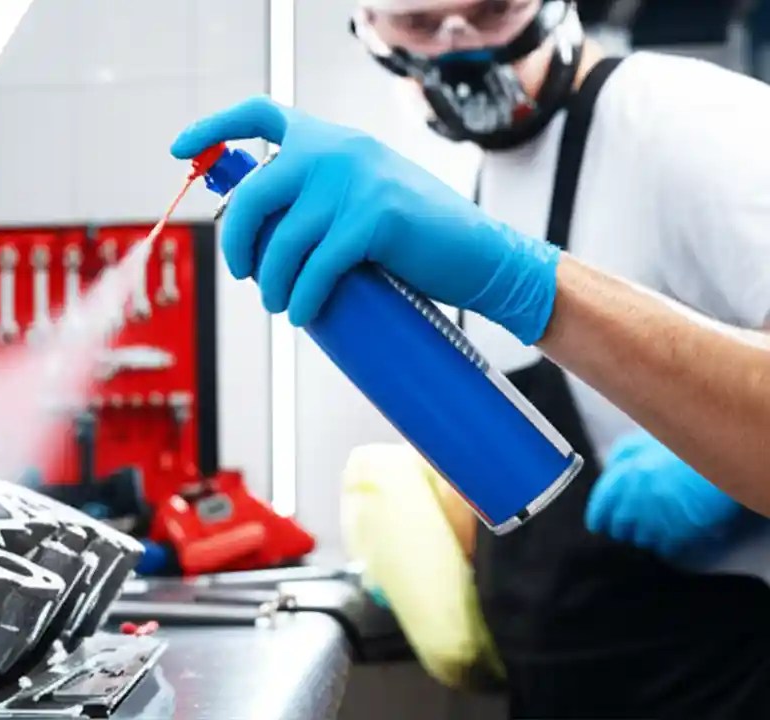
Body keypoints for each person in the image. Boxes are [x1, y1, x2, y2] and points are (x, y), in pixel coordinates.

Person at [172, 2, 770, 714]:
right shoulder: (477, 183)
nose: (461, 48)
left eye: (491, 13)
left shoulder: (683, 117)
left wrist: (719, 475)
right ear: (369, 28)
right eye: (421, 26)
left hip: (728, 679)